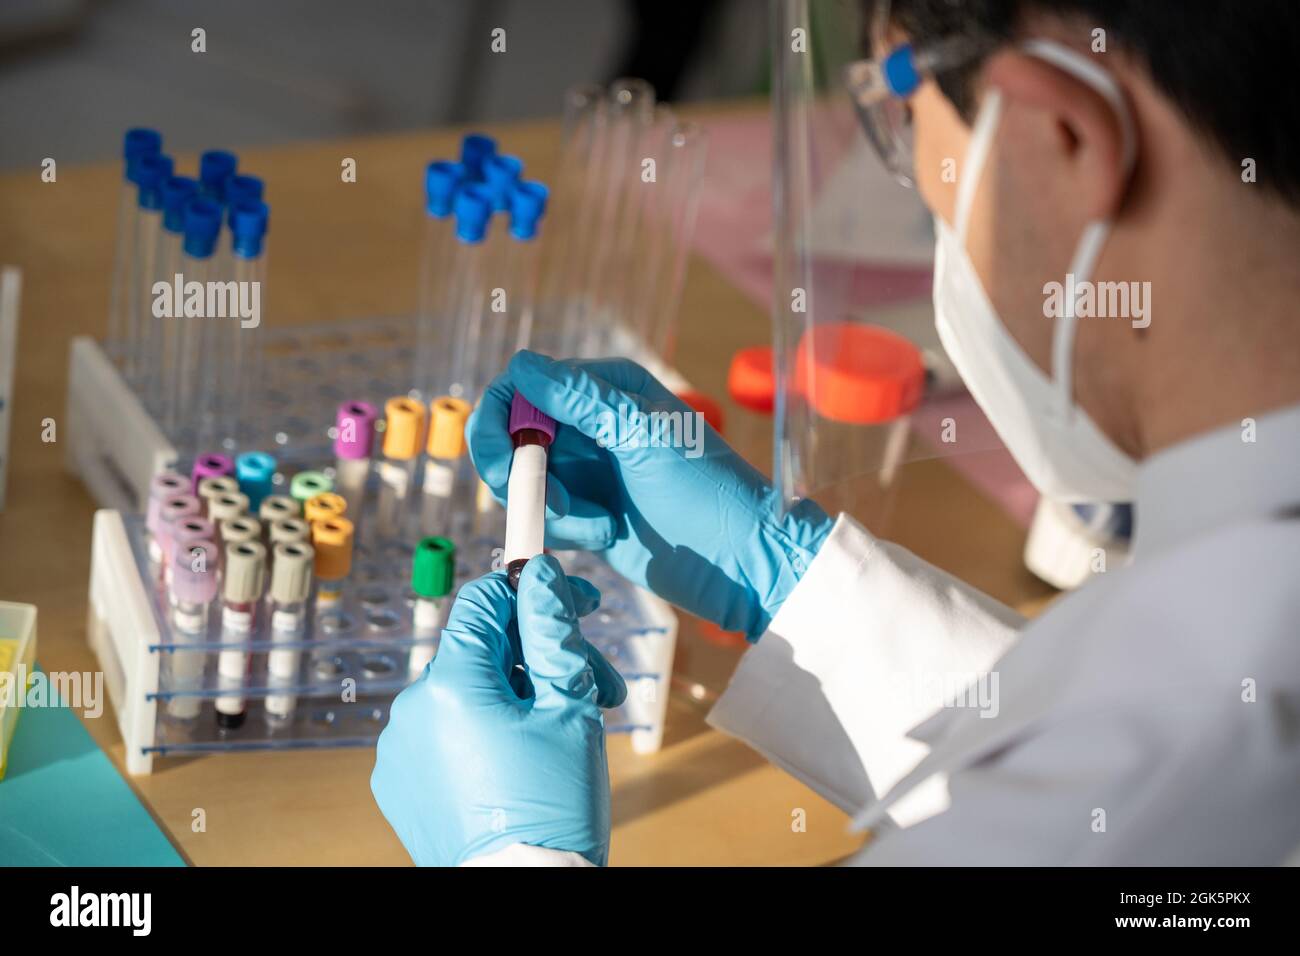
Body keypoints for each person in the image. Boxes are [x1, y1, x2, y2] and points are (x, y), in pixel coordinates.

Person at [370, 0, 1300, 866]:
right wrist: (787, 582)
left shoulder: (1193, 773)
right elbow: (1083, 750)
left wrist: (513, 853)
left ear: (1061, 139)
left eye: (926, 182)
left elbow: (1100, 798)